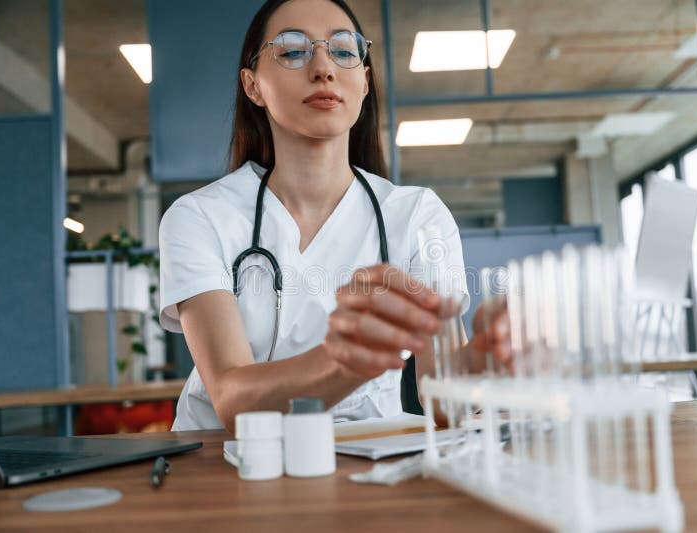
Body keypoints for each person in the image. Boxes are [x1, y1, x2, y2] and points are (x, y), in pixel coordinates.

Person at [158, 0, 511, 433]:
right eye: (292, 51)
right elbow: (233, 400)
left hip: (366, 464)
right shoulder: (199, 217)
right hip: (221, 467)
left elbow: (443, 399)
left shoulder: (417, 214)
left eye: (343, 51)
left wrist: (483, 360)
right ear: (252, 86)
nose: (323, 68)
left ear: (364, 82)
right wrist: (350, 358)